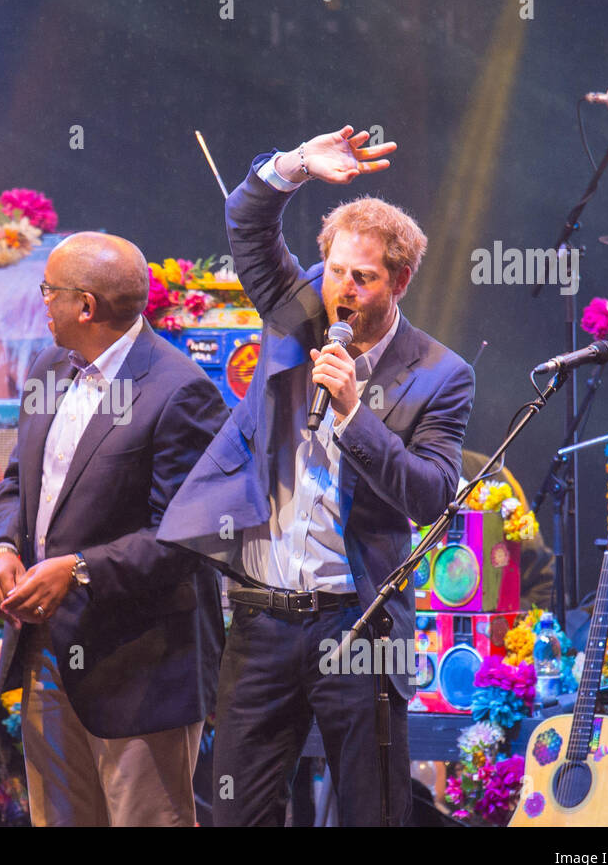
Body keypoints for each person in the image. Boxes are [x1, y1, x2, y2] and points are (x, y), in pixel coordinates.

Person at [159, 126, 476, 826]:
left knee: (372, 813)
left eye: (363, 278)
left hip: (356, 625)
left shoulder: (439, 374)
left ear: (398, 281)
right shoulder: (297, 311)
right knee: (238, 815)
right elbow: (246, 219)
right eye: (334, 270)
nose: (342, 290)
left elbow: (429, 497)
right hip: (262, 620)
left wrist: (355, 415)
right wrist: (298, 165)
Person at [0, 232, 229, 826]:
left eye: (50, 292)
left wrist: (78, 569)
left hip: (139, 669)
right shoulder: (48, 368)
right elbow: (19, 482)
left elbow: (187, 539)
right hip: (47, 654)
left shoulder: (180, 391)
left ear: (85, 306)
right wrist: (0, 547)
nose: (43, 302)